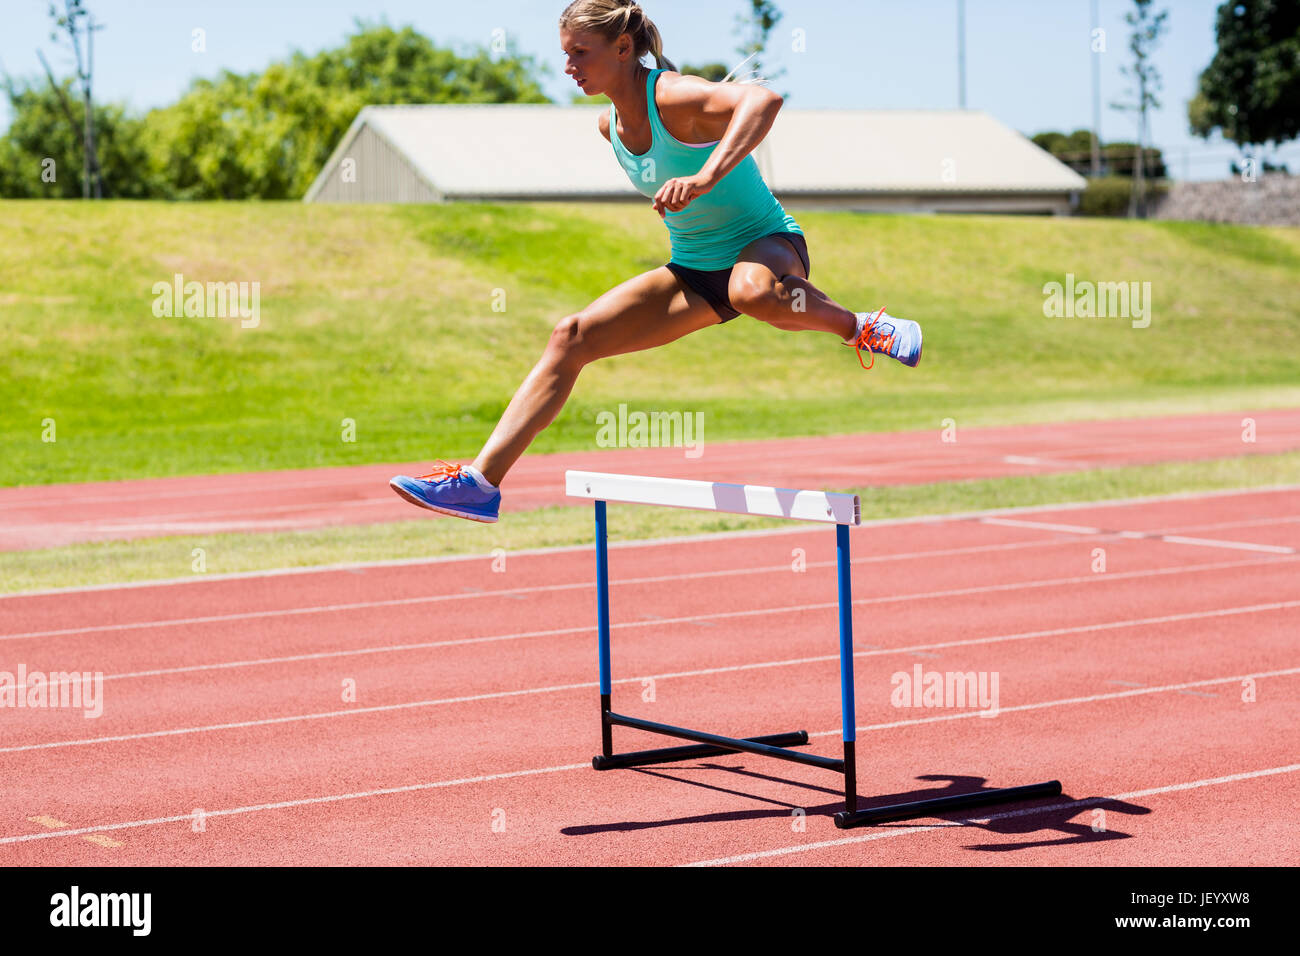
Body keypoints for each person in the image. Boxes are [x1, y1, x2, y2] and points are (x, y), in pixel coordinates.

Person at [390, 0, 922, 523]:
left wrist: (704, 177)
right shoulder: (609, 127)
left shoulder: (672, 97)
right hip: (694, 269)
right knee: (570, 337)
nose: (569, 67)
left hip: (765, 243)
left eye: (580, 52)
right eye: (565, 54)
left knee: (751, 290)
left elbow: (765, 100)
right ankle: (480, 485)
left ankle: (862, 327)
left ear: (623, 47)